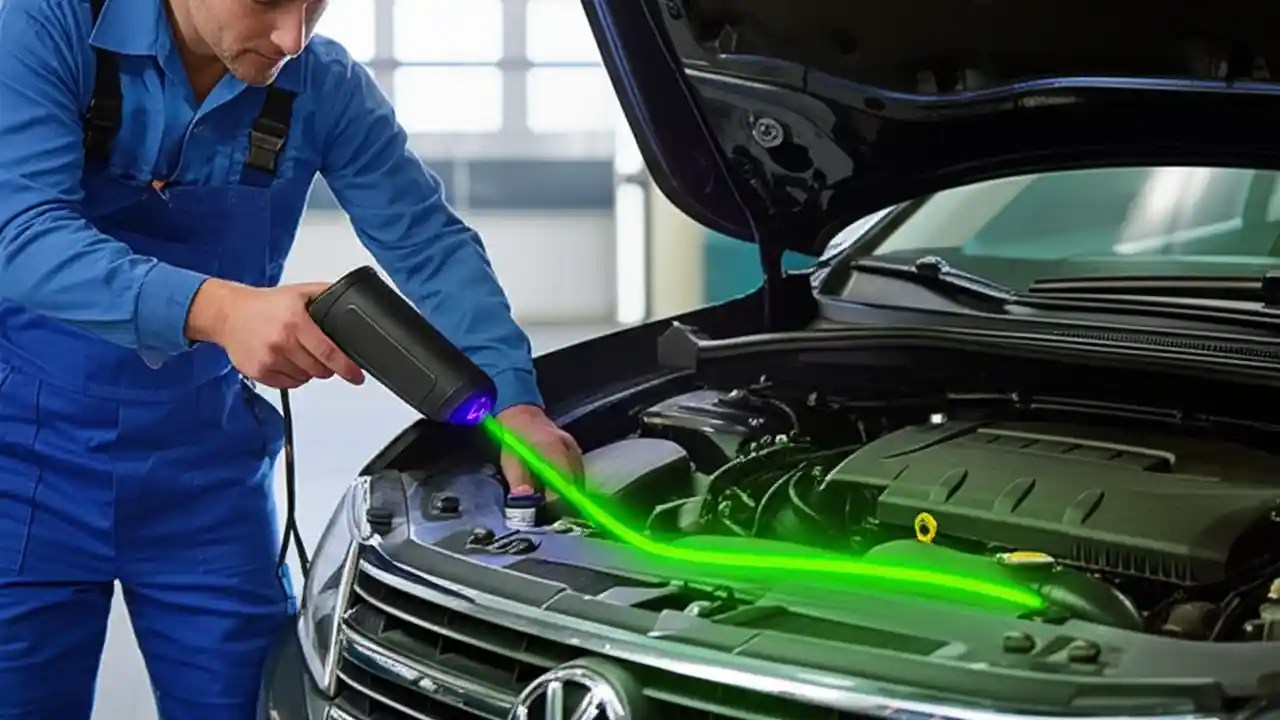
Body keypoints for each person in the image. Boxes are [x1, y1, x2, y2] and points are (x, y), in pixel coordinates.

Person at [0, 0, 585, 716]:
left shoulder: (322, 84)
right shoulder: (42, 26)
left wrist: (515, 400)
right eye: (269, 1)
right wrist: (218, 310)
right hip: (23, 474)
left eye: (315, 2)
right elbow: (20, 233)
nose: (293, 36)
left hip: (206, 482)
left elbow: (430, 245)